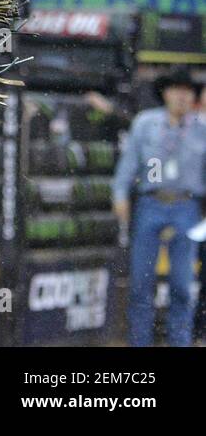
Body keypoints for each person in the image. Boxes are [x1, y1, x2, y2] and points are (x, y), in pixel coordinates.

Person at [112, 70, 206, 346]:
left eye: (187, 90)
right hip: (150, 203)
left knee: (182, 285)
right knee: (141, 284)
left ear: (194, 96)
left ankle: (180, 342)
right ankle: (139, 344)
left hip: (187, 206)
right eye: (176, 89)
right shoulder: (145, 123)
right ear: (164, 93)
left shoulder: (202, 128)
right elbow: (129, 162)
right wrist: (120, 193)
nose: (182, 95)